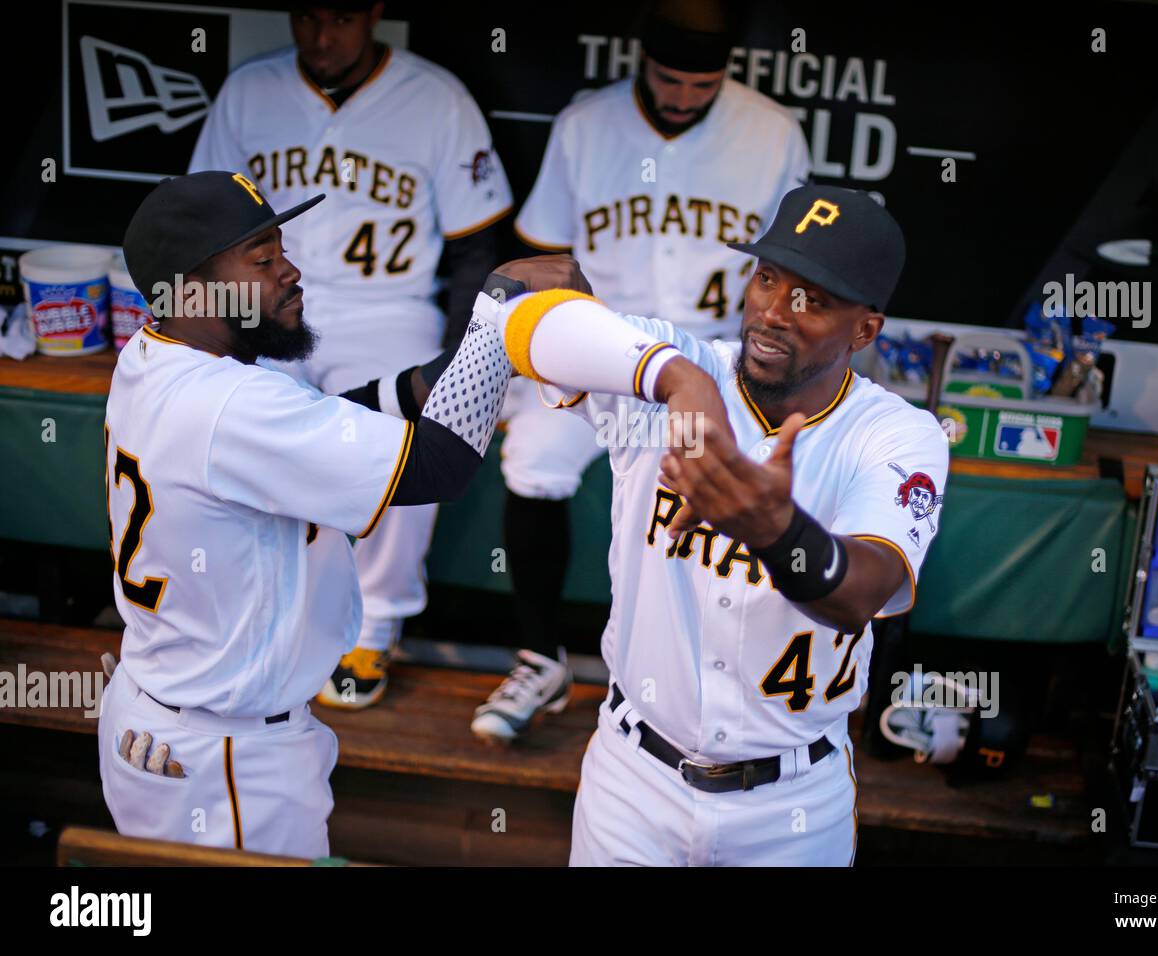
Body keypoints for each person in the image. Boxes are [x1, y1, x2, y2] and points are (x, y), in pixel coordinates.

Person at [99, 169, 571, 857]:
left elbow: (332, 420)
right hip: (221, 751)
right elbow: (440, 465)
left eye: (280, 248)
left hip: (174, 716)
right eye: (261, 260)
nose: (291, 271)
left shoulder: (153, 356)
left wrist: (443, 371)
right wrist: (495, 320)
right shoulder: (228, 405)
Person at [494, 185, 949, 865]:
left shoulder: (896, 435)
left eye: (813, 300)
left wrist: (774, 530)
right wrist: (679, 379)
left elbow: (860, 594)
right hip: (634, 779)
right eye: (768, 278)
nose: (773, 313)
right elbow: (528, 310)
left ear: (865, 331)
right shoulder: (682, 361)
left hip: (792, 803)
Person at [475, 0, 811, 743]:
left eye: (703, 83)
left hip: (715, 357)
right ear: (641, 59)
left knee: (722, 491)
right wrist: (526, 360)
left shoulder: (772, 131)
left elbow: (791, 269)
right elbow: (539, 250)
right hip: (599, 347)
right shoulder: (585, 125)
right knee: (533, 459)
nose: (685, 96)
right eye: (669, 78)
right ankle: (541, 658)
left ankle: (706, 678)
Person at [189, 1, 512, 709]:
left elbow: (476, 247)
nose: (320, 36)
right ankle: (253, 609)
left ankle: (378, 620)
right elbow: (204, 225)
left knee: (399, 436)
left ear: (374, 12)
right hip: (269, 306)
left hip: (385, 308)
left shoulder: (435, 98)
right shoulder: (251, 89)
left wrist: (461, 353)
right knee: (227, 422)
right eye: (305, 17)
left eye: (338, 18)